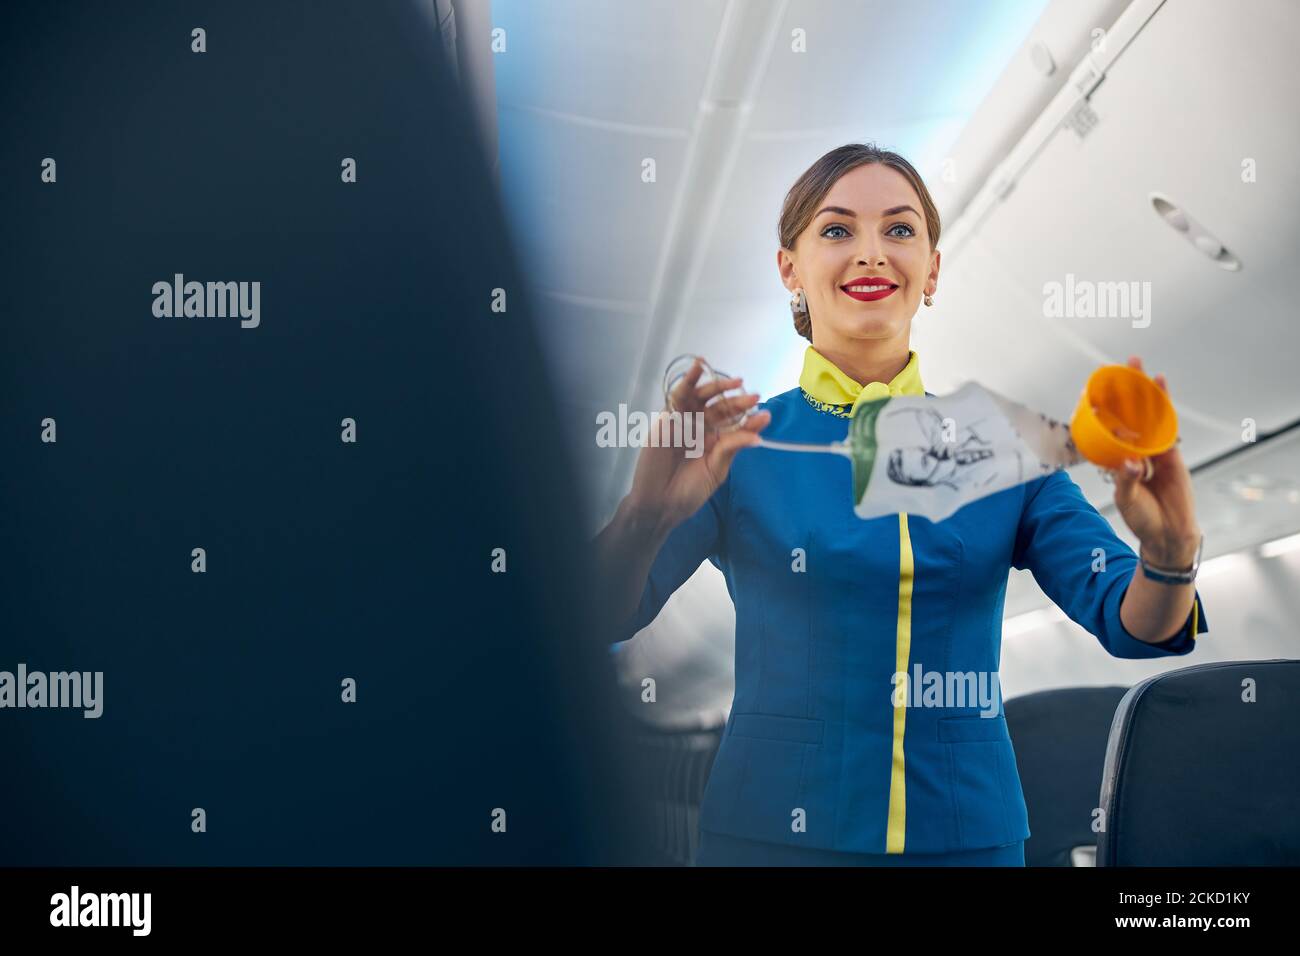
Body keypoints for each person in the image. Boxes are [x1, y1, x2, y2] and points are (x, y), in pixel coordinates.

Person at [593, 143, 1208, 866]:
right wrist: (643, 516)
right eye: (836, 230)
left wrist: (1170, 555)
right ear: (789, 267)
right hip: (771, 838)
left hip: (964, 839)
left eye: (900, 229)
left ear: (933, 270)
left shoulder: (1001, 443)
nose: (871, 253)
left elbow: (1131, 624)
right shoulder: (740, 446)